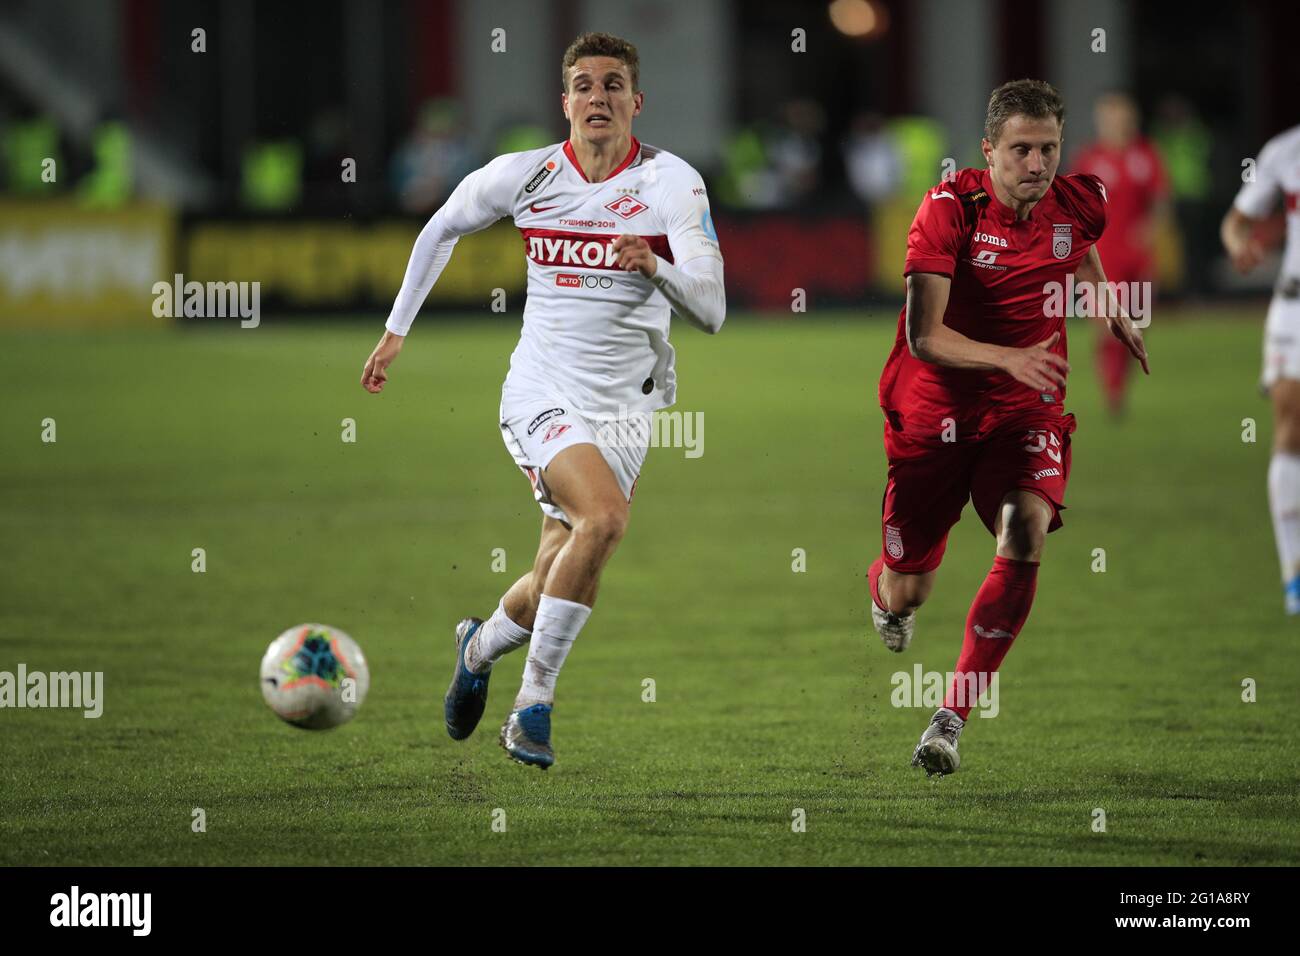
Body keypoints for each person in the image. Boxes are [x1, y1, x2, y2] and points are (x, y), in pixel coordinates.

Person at [360, 32, 725, 768]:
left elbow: (713, 309)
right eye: (584, 85)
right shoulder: (524, 175)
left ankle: (478, 646)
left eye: (613, 84)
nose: (598, 97)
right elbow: (441, 228)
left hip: (626, 409)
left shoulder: (672, 185)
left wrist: (653, 264)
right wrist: (396, 332)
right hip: (541, 389)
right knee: (605, 519)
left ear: (636, 101)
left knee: (563, 559)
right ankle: (533, 705)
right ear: (565, 102)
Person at [867, 79, 1149, 775]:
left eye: (1047, 147)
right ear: (988, 150)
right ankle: (885, 590)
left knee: (1025, 532)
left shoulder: (1079, 201)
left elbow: (1077, 243)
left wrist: (1105, 300)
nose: (1036, 162)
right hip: (933, 414)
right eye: (1020, 149)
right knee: (910, 584)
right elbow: (925, 335)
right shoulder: (948, 211)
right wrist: (1008, 357)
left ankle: (950, 717)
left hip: (1027, 410)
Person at [1221, 123, 1300, 613]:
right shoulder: (1284, 150)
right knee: (1291, 427)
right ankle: (1294, 575)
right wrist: (1237, 245)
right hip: (1294, 308)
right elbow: (1236, 220)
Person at [1071, 92, 1170, 417]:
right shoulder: (1089, 158)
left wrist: (1151, 229)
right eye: (1110, 116)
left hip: (1138, 255)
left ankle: (1120, 383)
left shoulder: (1146, 156)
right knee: (1106, 327)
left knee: (1135, 325)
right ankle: (1111, 391)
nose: (1116, 122)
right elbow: (1072, 206)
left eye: (1122, 115)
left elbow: (1160, 201)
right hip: (1101, 255)